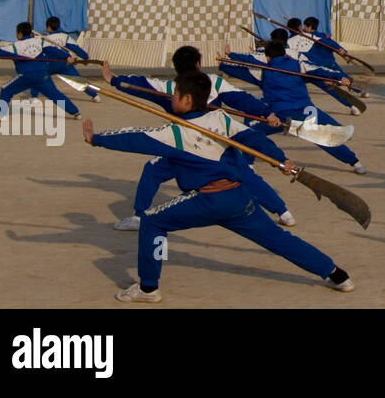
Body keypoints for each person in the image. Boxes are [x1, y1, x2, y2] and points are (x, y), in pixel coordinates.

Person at [83, 72, 355, 302]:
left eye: (175, 95)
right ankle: (336, 274)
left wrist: (96, 139)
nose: (172, 99)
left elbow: (134, 139)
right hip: (240, 198)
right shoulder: (221, 119)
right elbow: (255, 140)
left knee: (152, 222)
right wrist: (281, 160)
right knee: (279, 239)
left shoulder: (173, 133)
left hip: (208, 201)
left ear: (188, 99)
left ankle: (148, 288)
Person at [102, 47, 294, 232]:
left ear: (175, 67)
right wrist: (267, 113)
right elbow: (243, 100)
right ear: (199, 64)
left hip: (184, 146)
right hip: (219, 144)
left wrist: (114, 80)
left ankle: (139, 217)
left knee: (153, 170)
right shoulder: (214, 82)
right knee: (244, 173)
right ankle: (283, 212)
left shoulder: (169, 88)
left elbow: (139, 85)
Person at [221, 41, 366, 174]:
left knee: (251, 128)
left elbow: (240, 70)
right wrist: (339, 78)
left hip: (279, 113)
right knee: (325, 135)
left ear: (267, 57)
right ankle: (356, 163)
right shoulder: (298, 65)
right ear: (285, 53)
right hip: (306, 110)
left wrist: (225, 62)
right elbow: (319, 70)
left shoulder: (262, 70)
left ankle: (248, 165)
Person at [0, 23, 81, 119]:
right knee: (56, 95)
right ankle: (75, 112)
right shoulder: (39, 42)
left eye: (16, 32)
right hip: (43, 75)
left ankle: (1, 114)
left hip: (26, 76)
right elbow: (54, 50)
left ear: (19, 33)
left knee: (6, 90)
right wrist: (67, 56)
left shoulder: (15, 47)